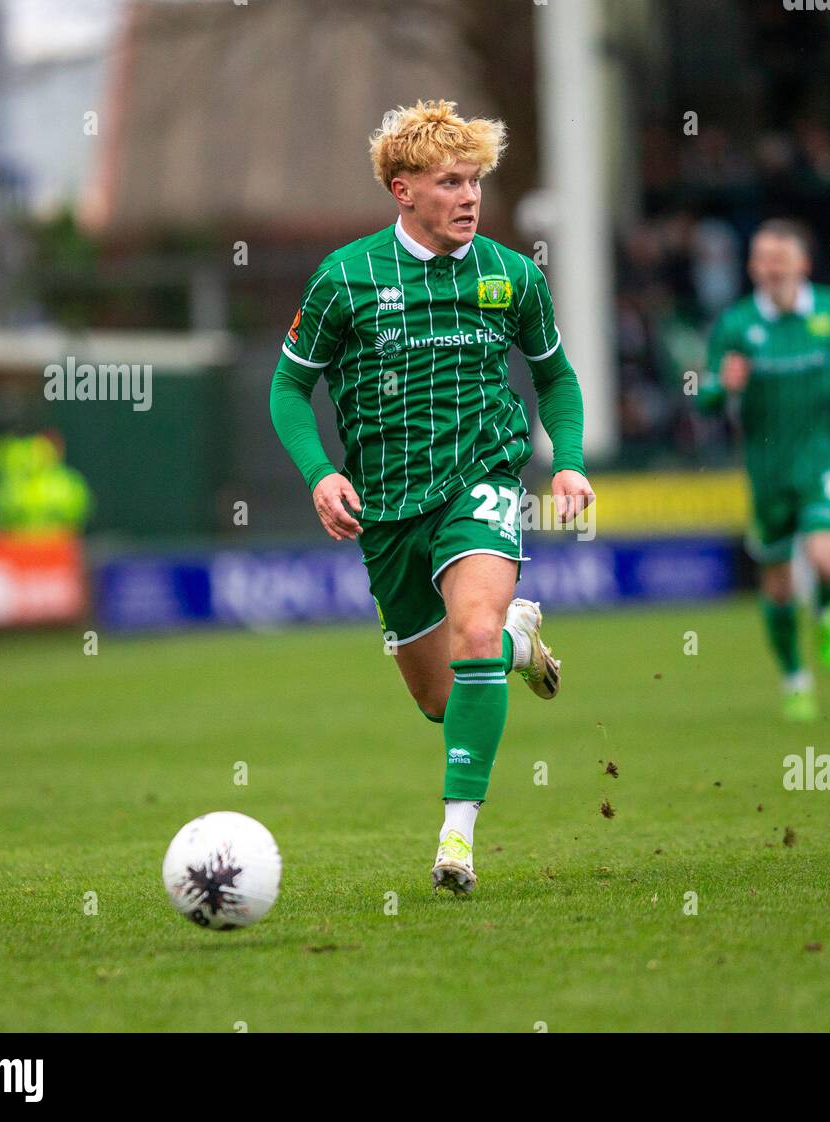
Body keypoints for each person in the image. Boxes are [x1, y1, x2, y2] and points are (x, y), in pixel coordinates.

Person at [269, 100, 594, 894]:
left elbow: (553, 376)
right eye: (450, 181)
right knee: (439, 697)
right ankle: (521, 644)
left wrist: (569, 460)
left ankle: (458, 837)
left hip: (483, 481)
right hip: (386, 508)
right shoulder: (346, 278)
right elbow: (288, 387)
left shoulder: (512, 275)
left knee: (471, 632)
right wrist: (321, 473)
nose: (469, 196)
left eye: (475, 180)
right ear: (402, 189)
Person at [699, 220, 830, 720]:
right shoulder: (736, 324)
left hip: (824, 460)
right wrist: (721, 386)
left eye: (780, 257)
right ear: (751, 268)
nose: (771, 267)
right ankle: (796, 680)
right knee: (778, 586)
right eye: (762, 258)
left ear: (803, 264)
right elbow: (703, 400)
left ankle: (829, 607)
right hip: (767, 471)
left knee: (828, 560)